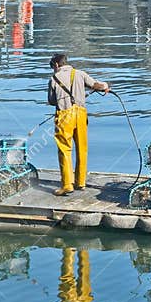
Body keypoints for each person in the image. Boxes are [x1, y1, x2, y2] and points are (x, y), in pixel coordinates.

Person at [47, 53, 110, 196]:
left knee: (64, 149)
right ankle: (80, 182)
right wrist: (105, 86)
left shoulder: (53, 79)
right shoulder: (80, 74)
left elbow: (51, 101)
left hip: (64, 115)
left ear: (56, 65)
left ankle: (67, 184)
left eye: (52, 66)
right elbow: (95, 85)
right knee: (82, 148)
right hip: (81, 114)